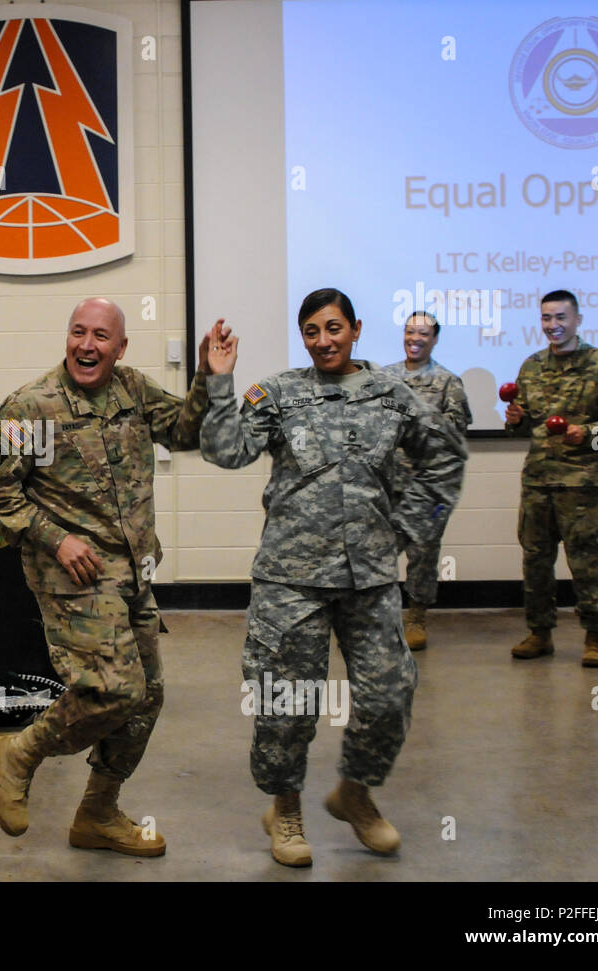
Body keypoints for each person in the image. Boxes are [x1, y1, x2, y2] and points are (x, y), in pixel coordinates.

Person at [200, 288, 465, 867]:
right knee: (286, 702)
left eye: (334, 328)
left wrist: (408, 527)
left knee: (389, 694)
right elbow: (226, 451)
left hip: (369, 576)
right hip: (290, 577)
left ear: (356, 329)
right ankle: (286, 809)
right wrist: (220, 381)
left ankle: (355, 794)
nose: (324, 341)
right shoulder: (281, 392)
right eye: (312, 331)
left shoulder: (393, 394)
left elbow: (446, 455)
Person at [0, 296, 211, 857]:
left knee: (145, 696)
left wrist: (211, 380)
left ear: (120, 348)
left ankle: (97, 814)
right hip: (71, 574)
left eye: (101, 336)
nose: (87, 345)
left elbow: (185, 432)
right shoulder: (31, 407)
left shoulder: (133, 389)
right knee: (113, 690)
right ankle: (18, 753)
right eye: (78, 332)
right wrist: (57, 538)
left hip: (131, 572)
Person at [504, 289, 598, 667]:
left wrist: (590, 433)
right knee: (535, 562)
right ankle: (540, 633)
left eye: (561, 317)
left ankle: (595, 638)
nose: (553, 326)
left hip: (583, 483)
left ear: (578, 320)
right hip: (538, 483)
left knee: (585, 563)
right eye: (546, 318)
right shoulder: (531, 366)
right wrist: (514, 421)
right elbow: (524, 426)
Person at [383, 311, 472, 649]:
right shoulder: (384, 377)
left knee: (423, 552)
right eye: (409, 331)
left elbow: (456, 431)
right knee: (377, 550)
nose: (414, 338)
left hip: (428, 484)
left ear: (434, 339)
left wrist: (419, 414)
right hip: (387, 482)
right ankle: (375, 615)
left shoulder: (449, 382)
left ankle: (417, 615)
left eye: (422, 333)